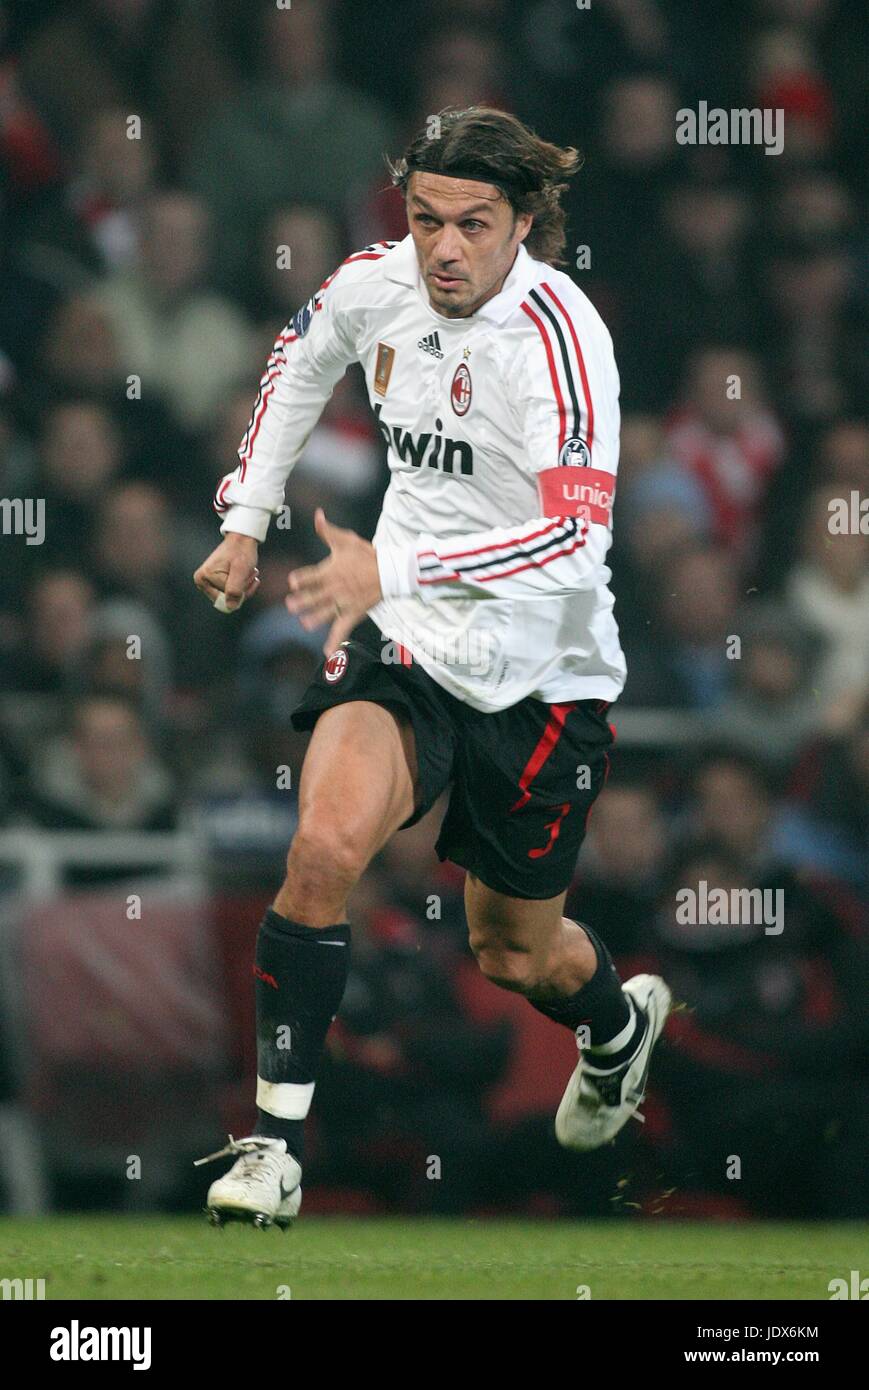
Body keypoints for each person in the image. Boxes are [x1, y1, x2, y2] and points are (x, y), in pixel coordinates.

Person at [192, 107, 671, 1228]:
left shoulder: (562, 337)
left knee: (513, 953)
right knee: (319, 848)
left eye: (471, 224)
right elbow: (297, 361)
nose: (443, 248)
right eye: (423, 221)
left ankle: (613, 1027)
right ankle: (272, 1151)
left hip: (543, 675)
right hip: (405, 644)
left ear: (522, 228)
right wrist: (247, 517)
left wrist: (394, 561)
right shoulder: (372, 284)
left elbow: (570, 542)